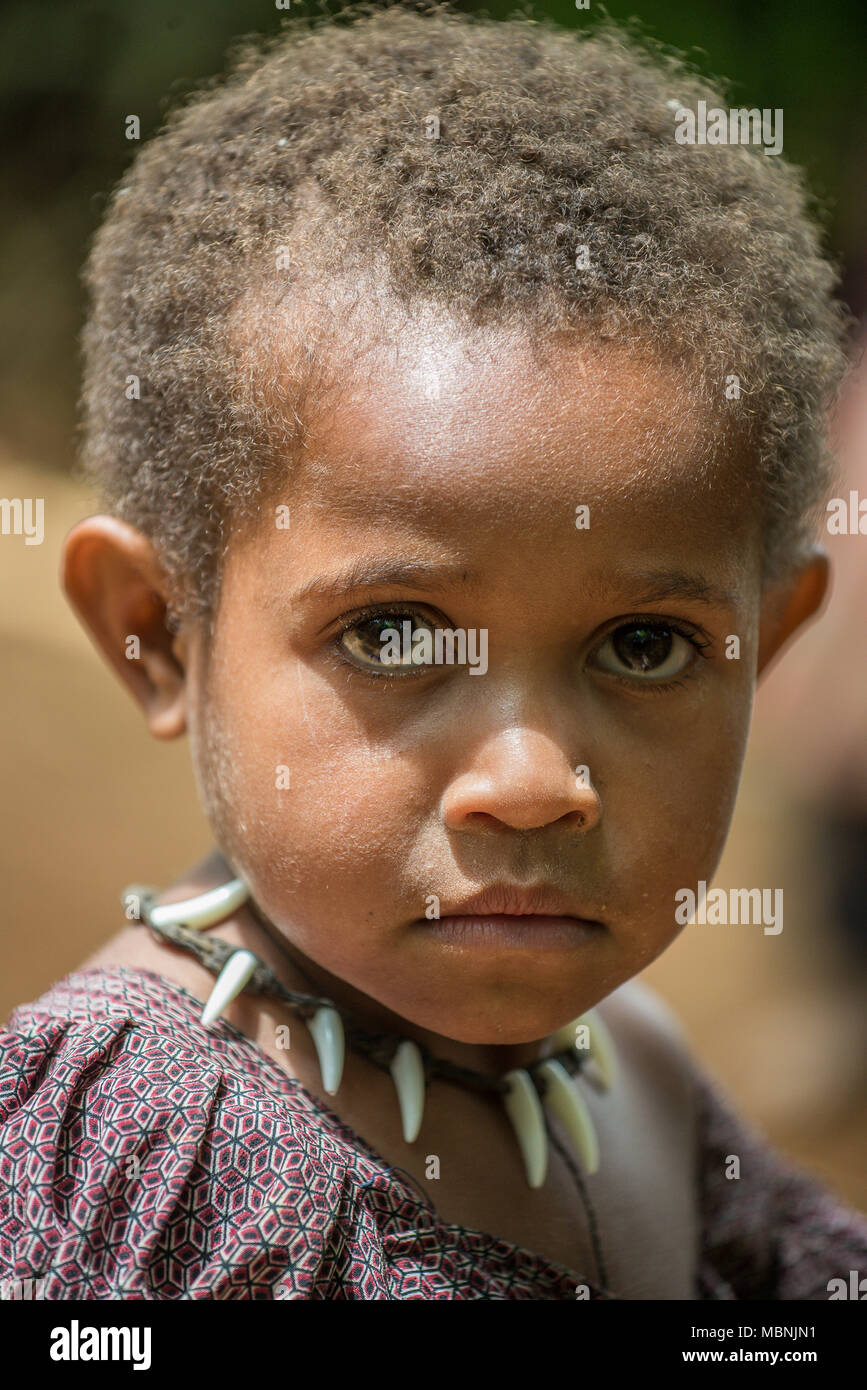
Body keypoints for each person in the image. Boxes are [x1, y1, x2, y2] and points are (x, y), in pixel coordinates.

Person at [1, 3, 865, 1300]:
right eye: (393, 631)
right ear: (153, 633)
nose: (532, 779)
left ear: (769, 644)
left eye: (644, 642)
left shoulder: (635, 1073)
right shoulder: (162, 1139)